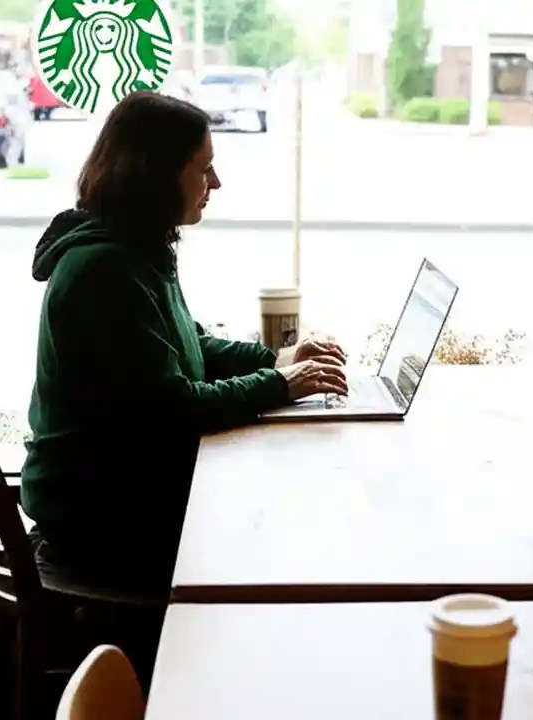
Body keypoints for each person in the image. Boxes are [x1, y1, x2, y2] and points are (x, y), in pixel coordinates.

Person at [20, 91, 349, 599]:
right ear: (156, 174)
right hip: (102, 525)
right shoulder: (103, 271)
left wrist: (280, 360)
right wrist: (279, 385)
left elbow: (189, 345)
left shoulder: (132, 251)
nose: (215, 183)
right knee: (285, 538)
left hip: (116, 500)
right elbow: (171, 409)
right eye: (204, 169)